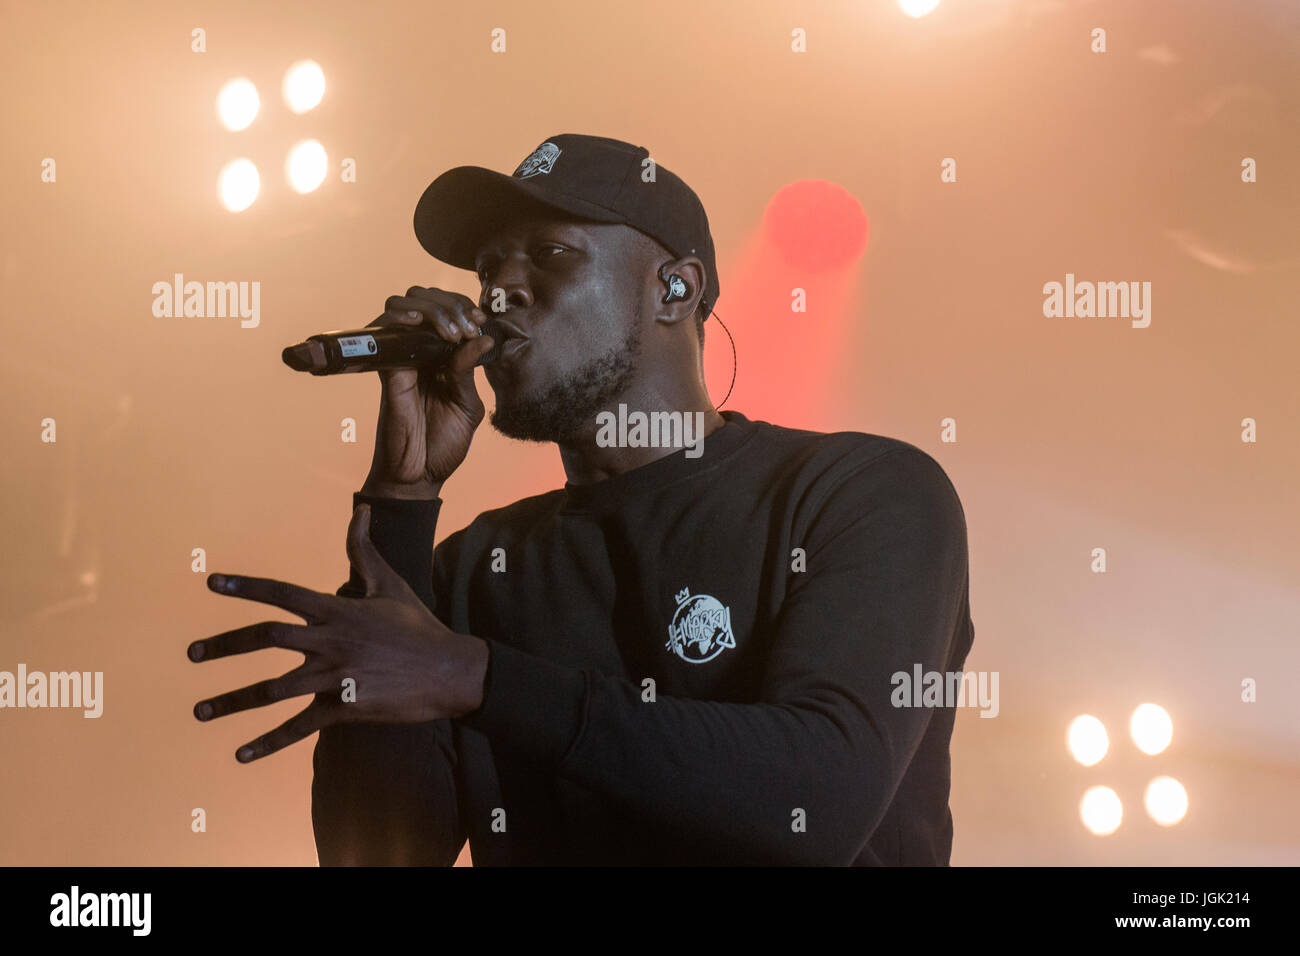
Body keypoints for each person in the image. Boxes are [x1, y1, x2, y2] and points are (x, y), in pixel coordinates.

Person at [193, 133, 975, 865]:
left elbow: (819, 800)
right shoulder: (472, 570)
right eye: (489, 270)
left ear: (676, 287)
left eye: (551, 254)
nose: (500, 294)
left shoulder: (861, 493)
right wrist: (403, 497)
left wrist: (478, 679)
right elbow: (384, 856)